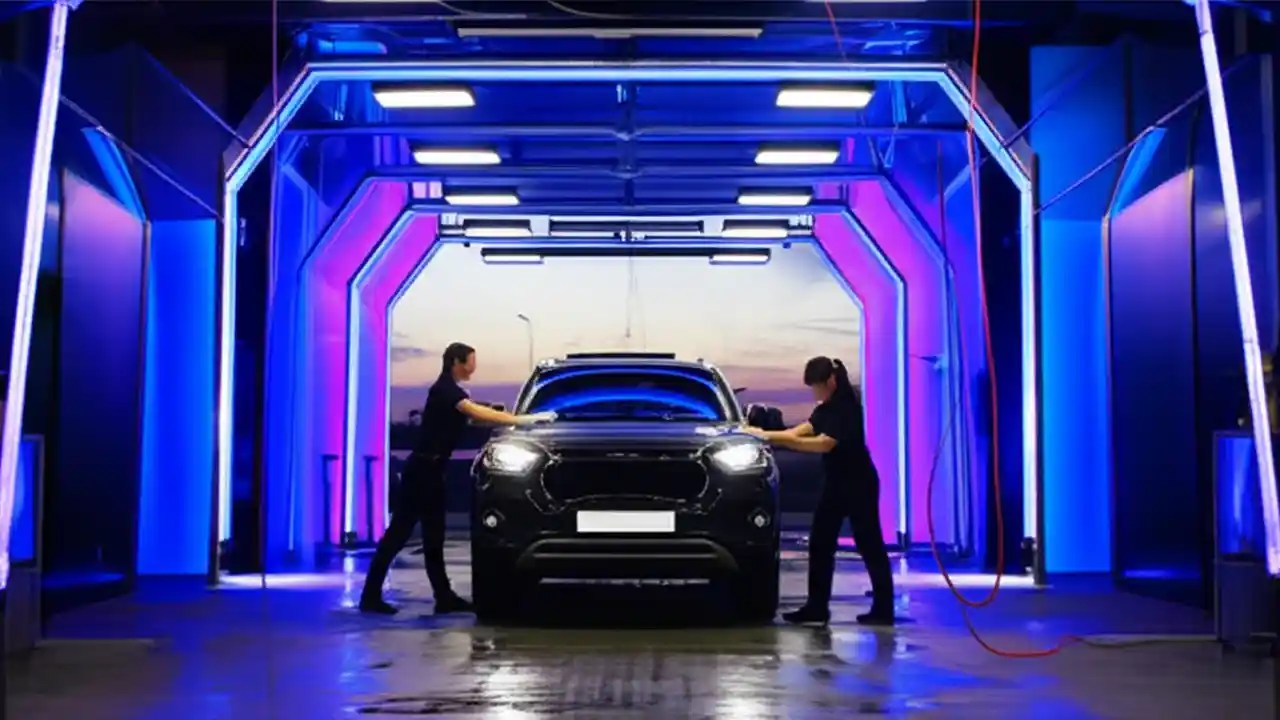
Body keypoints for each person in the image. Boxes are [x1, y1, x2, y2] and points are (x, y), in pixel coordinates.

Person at [360, 342, 554, 615]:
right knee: (398, 535)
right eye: (470, 362)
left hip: (433, 471)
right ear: (456, 361)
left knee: (434, 537)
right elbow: (475, 412)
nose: (473, 367)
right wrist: (522, 420)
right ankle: (370, 596)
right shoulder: (444, 390)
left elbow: (474, 418)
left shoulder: (451, 393)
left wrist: (503, 418)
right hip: (420, 473)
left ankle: (444, 596)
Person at [745, 356, 895, 626]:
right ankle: (817, 608)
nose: (815, 392)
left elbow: (823, 444)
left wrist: (767, 436)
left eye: (817, 386)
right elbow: (799, 432)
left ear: (831, 381)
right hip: (836, 482)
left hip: (859, 483)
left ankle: (884, 608)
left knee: (869, 544)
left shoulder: (847, 408)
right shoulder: (825, 409)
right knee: (820, 543)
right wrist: (762, 434)